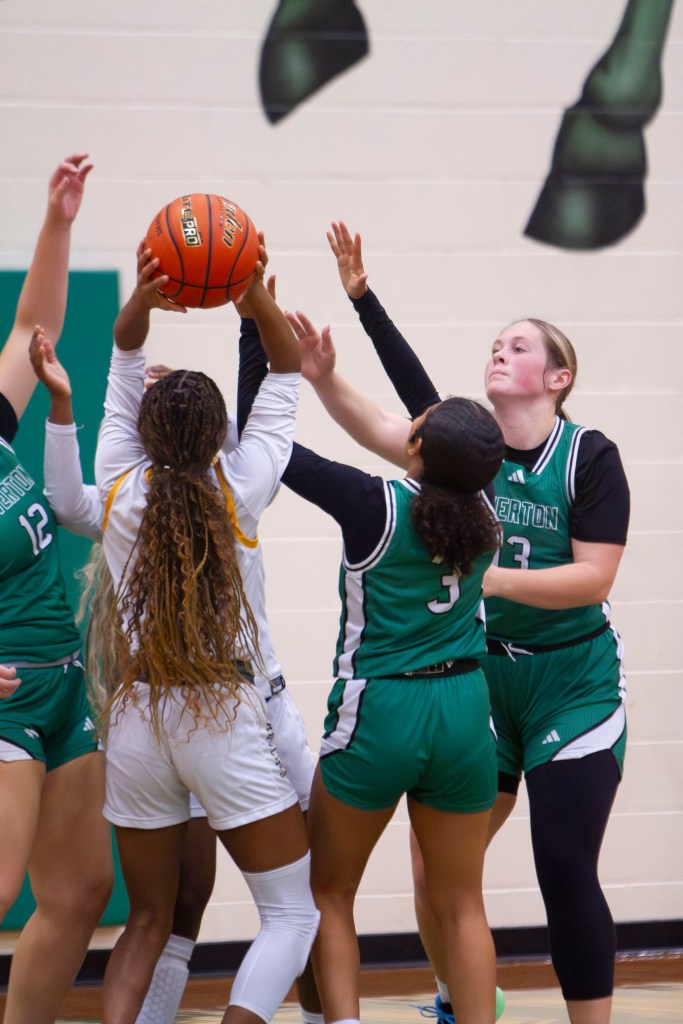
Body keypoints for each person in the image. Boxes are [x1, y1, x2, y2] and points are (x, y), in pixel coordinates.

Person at [305, 222, 629, 1024]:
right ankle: (458, 1000)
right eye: (492, 343)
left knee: (561, 863)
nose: (497, 351)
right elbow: (390, 420)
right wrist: (358, 304)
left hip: (570, 683)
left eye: (516, 346)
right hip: (485, 680)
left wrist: (487, 575)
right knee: (436, 868)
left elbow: (594, 577)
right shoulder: (469, 454)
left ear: (556, 376)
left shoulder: (588, 456)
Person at [33, 287, 320, 1024]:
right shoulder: (243, 483)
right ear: (222, 430)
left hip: (134, 719)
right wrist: (251, 291)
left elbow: (124, 355)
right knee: (292, 914)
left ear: (140, 428)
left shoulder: (121, 482)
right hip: (219, 714)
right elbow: (286, 371)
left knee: (148, 920)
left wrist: (141, 295)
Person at [253, 301, 504, 1024]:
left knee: (327, 894)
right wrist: (364, 303)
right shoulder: (485, 505)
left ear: (415, 451)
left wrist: (257, 327)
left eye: (416, 430)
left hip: (383, 711)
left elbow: (275, 447)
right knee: (462, 904)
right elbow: (430, 410)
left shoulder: (372, 503)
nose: (410, 423)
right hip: (463, 711)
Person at [0, 155, 114, 1024]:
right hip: (2, 695)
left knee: (78, 892)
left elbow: (30, 327)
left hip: (63, 683)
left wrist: (59, 221)